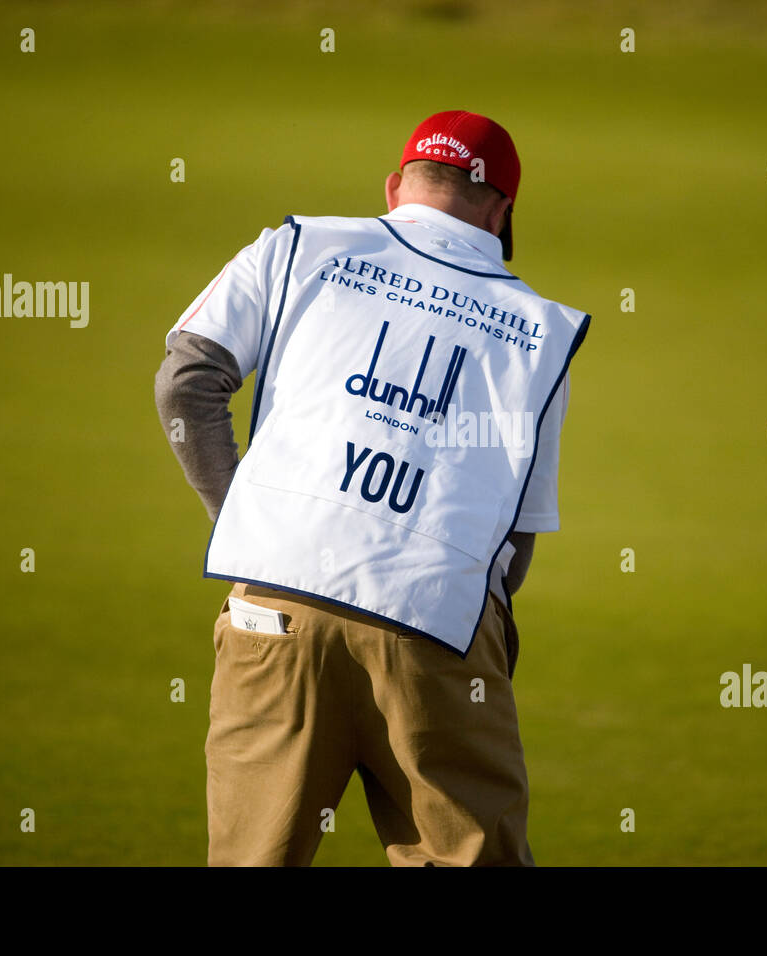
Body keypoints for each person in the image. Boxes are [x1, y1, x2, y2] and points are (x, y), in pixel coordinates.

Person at [155, 110, 590, 866]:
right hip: (434, 629)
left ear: (396, 187)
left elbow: (186, 384)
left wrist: (257, 529)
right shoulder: (542, 330)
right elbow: (514, 546)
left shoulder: (295, 245)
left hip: (273, 610)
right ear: (501, 214)